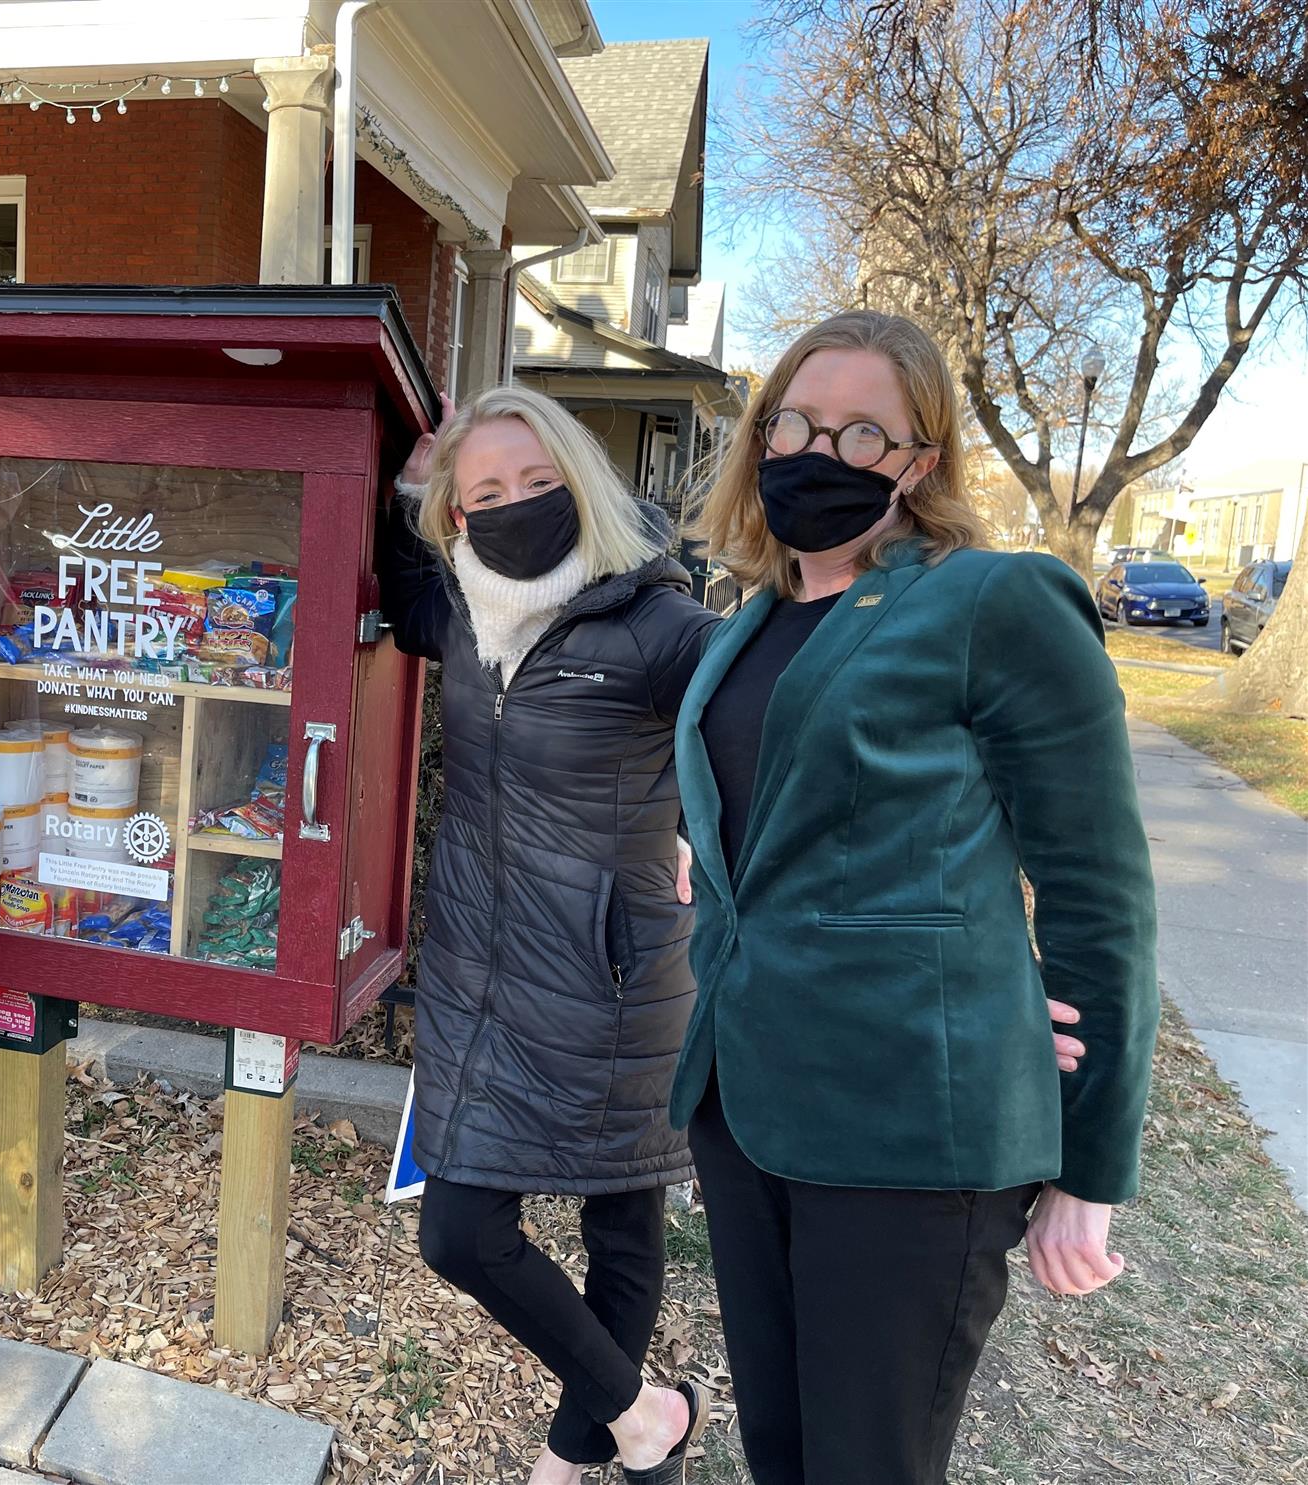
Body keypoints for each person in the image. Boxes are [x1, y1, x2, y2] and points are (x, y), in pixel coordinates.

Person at [670, 309, 1158, 1485]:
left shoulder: (995, 603)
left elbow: (1099, 893)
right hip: (747, 1111)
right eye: (791, 421)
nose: (813, 452)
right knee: (782, 1455)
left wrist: (1092, 1168)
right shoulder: (745, 623)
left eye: (859, 435)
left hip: (908, 1137)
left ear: (921, 464)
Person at [378, 384, 717, 1485]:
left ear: (581, 480)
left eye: (539, 481)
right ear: (458, 515)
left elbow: (758, 746)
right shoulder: (457, 610)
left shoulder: (660, 624)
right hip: (484, 979)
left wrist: (705, 847)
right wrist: (404, 470)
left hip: (616, 977)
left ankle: (573, 1459)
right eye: (488, 491)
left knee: (624, 1229)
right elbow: (380, 558)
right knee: (462, 1235)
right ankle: (649, 1417)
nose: (518, 505)